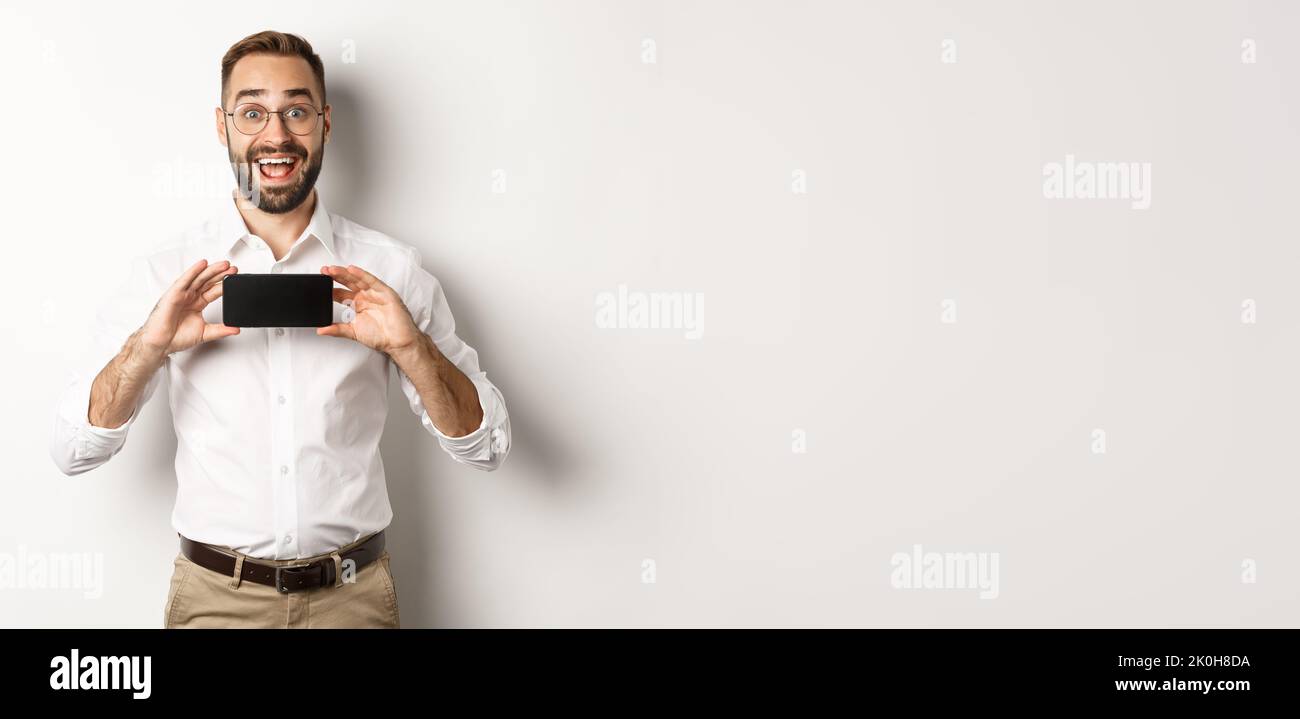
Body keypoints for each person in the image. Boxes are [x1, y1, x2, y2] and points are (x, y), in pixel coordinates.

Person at [48, 30, 511, 628]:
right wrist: (148, 347)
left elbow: (487, 448)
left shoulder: (393, 270)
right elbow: (72, 451)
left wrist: (411, 348)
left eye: (296, 111)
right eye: (252, 113)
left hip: (354, 600)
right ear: (222, 126)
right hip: (215, 602)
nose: (276, 135)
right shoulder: (165, 273)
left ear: (325, 123)